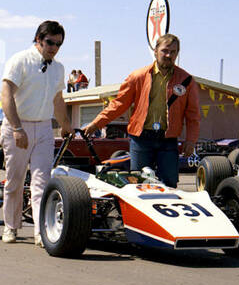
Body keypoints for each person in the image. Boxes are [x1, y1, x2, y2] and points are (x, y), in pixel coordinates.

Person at [84, 32, 200, 189]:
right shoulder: (137, 76)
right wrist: (96, 124)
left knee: (170, 185)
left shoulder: (187, 80)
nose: (168, 55)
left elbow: (193, 115)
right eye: (165, 50)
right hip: (141, 140)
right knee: (138, 185)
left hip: (168, 141)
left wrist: (191, 140)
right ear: (155, 51)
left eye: (173, 52)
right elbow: (118, 104)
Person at [0, 21, 71, 244]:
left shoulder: (58, 68)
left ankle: (42, 231)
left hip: (44, 128)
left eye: (58, 44)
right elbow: (6, 95)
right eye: (50, 42)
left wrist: (66, 125)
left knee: (42, 182)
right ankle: (11, 226)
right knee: (15, 181)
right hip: (18, 126)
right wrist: (17, 128)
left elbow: (57, 100)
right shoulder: (20, 60)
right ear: (38, 39)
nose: (54, 48)